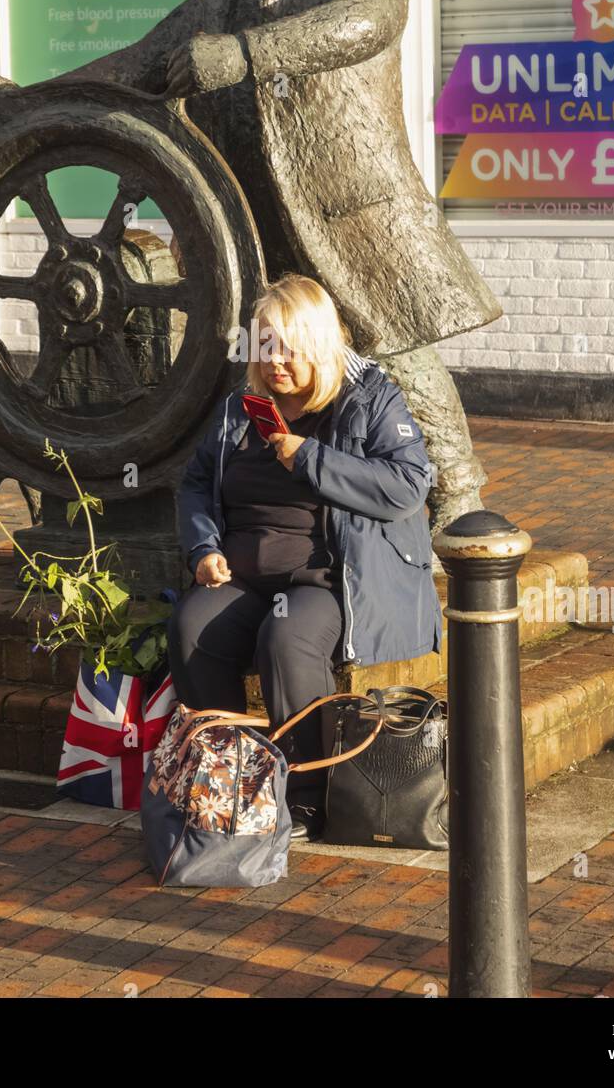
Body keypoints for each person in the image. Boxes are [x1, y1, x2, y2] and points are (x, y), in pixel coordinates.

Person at [0, 0, 501, 533]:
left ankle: (457, 497)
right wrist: (17, 104)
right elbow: (134, 66)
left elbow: (356, 27)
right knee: (249, 357)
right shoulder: (216, 2)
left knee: (388, 347)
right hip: (244, 217)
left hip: (345, 212)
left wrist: (242, 53)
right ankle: (274, 501)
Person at [168, 274, 441, 842]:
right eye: (265, 349)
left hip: (326, 576)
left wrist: (311, 458)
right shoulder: (239, 409)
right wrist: (204, 547)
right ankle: (232, 783)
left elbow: (408, 486)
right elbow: (195, 483)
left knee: (286, 637)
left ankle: (309, 793)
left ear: (320, 345)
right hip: (242, 572)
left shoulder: (368, 398)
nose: (276, 364)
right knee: (193, 626)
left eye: (289, 350)